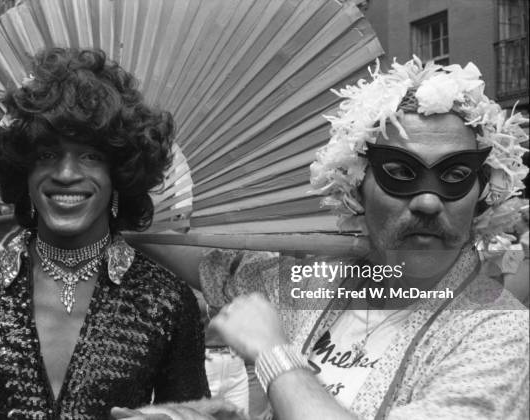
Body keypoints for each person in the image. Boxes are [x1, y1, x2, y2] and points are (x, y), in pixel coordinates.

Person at [122, 58, 529, 419]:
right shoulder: (313, 284)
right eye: (400, 173)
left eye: (455, 176)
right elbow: (211, 263)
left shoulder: (500, 334)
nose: (426, 200)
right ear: (356, 188)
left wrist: (273, 355)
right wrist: (111, 214)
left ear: (482, 196)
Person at [0, 47, 210, 419]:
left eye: (90, 156)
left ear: (119, 174)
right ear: (22, 170)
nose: (67, 173)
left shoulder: (166, 300)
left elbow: (194, 413)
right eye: (47, 155)